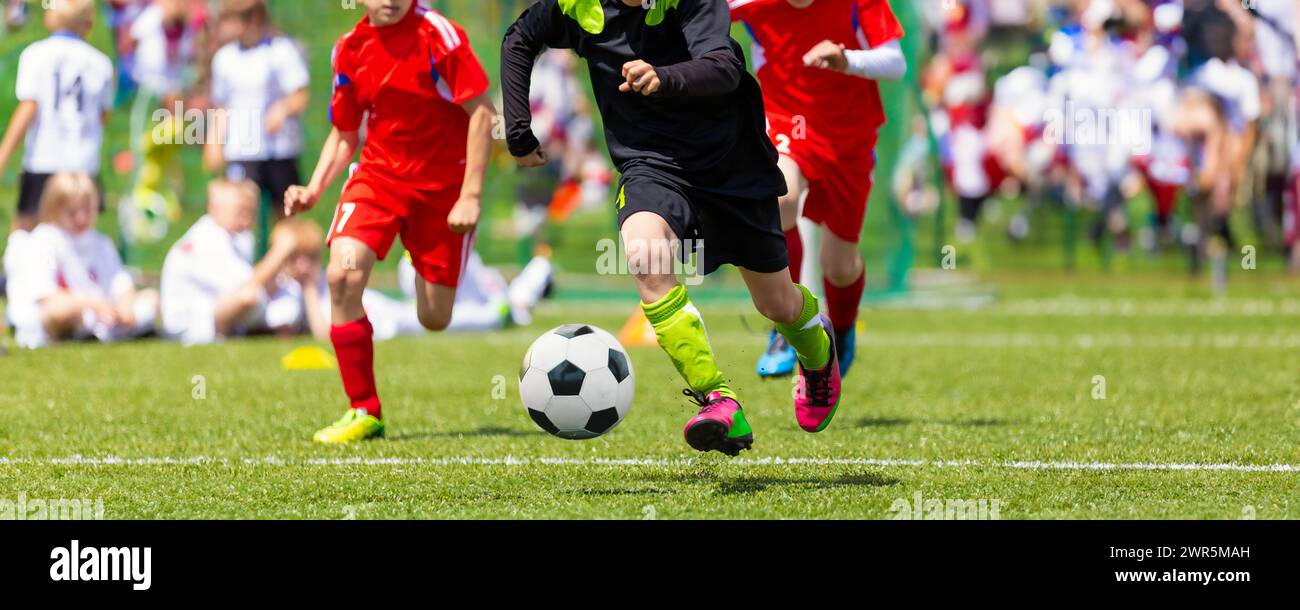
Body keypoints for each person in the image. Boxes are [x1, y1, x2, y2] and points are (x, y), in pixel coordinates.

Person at [502, 0, 842, 456]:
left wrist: (665, 77)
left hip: (732, 165)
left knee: (777, 303)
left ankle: (818, 352)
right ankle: (718, 399)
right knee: (644, 253)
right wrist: (519, 129)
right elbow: (519, 38)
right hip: (652, 166)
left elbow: (723, 66)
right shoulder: (576, 6)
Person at [283, 0, 496, 444]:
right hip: (378, 179)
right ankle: (364, 409)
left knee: (434, 317)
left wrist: (470, 195)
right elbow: (344, 133)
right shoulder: (349, 48)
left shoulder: (439, 35)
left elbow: (482, 112)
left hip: (443, 190)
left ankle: (425, 261)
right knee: (341, 273)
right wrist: (314, 188)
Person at [728, 0, 906, 378]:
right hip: (789, 125)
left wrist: (846, 59)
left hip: (850, 138)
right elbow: (690, 18)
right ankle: (788, 322)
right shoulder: (748, 4)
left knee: (839, 267)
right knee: (780, 198)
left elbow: (895, 62)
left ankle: (841, 333)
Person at [4, 173, 158, 349]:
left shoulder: (101, 242)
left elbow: (121, 284)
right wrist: (94, 304)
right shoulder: (44, 240)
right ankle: (85, 335)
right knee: (59, 314)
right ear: (53, 208)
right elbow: (48, 299)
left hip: (105, 313)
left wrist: (125, 306)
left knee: (150, 298)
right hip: (72, 312)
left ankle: (111, 330)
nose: (81, 218)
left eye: (88, 210)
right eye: (72, 212)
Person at [0, 0, 113, 232]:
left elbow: (29, 108)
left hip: (44, 158)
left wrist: (4, 154)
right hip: (83, 164)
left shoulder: (36, 54)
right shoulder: (101, 63)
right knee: (76, 238)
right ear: (88, 23)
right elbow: (103, 117)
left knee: (25, 234)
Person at [159, 179, 314, 345]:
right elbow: (249, 285)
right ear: (215, 209)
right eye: (240, 211)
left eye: (251, 212)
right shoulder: (208, 238)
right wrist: (280, 251)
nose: (247, 219)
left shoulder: (236, 236)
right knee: (251, 297)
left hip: (208, 313)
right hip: (190, 325)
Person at [204, 0, 310, 218]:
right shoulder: (225, 58)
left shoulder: (280, 50)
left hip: (279, 149)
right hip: (242, 149)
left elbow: (300, 95)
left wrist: (282, 110)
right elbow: (221, 106)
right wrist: (214, 142)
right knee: (240, 213)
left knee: (285, 214)